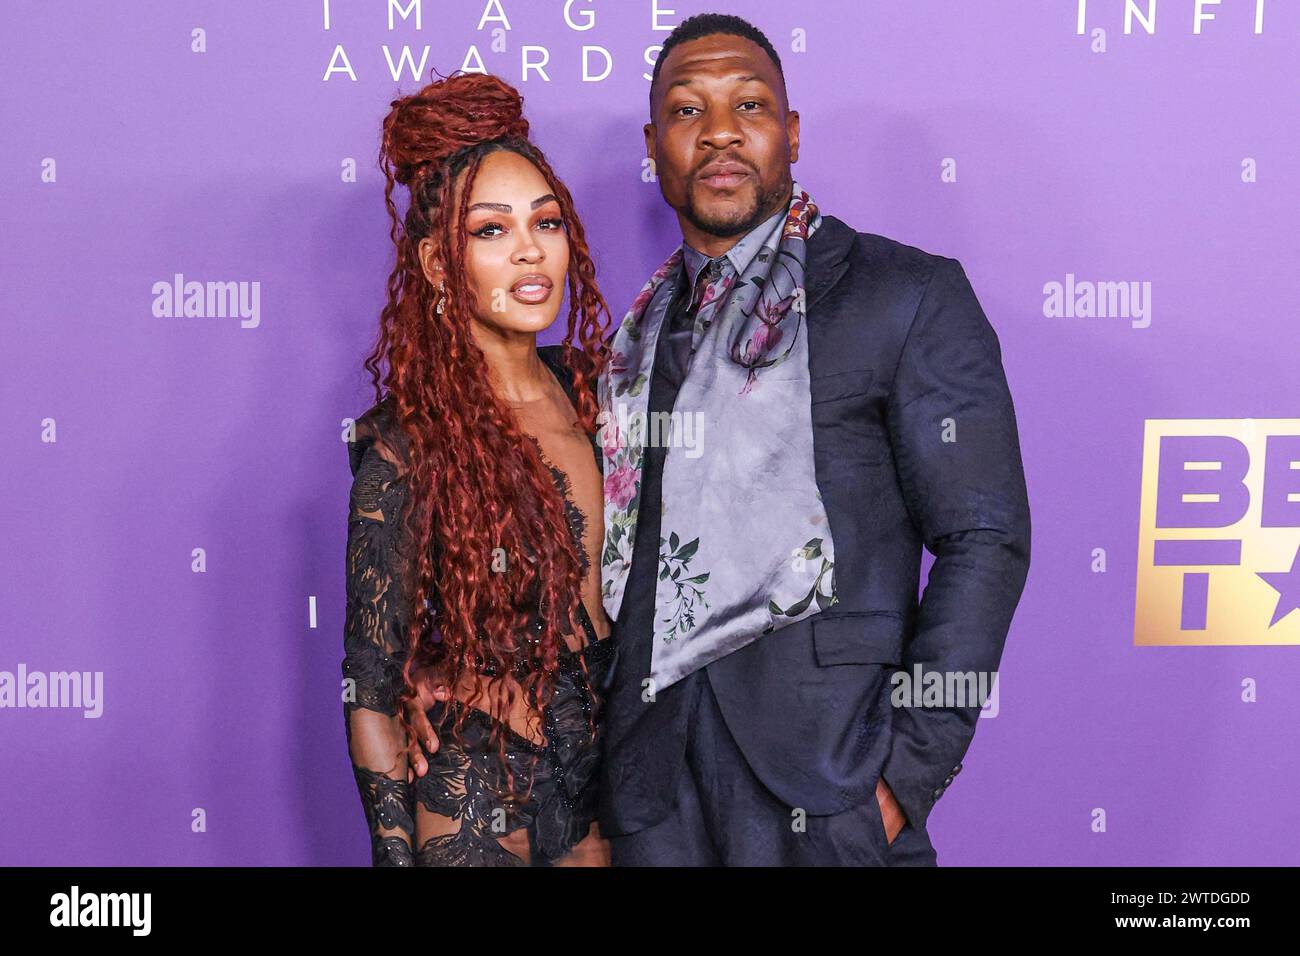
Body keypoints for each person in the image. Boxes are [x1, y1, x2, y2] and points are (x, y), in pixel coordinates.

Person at [593, 13, 1031, 865]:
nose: (719, 132)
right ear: (655, 146)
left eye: (749, 104)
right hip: (652, 791)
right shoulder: (636, 336)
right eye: (687, 111)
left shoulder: (905, 295)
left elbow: (987, 540)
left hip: (831, 785)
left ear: (790, 132)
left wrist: (902, 778)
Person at [341, 70, 615, 866]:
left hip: (612, 787)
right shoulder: (407, 443)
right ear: (435, 264)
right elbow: (370, 687)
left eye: (548, 221)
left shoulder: (601, 397)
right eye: (490, 231)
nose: (530, 249)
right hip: (483, 794)